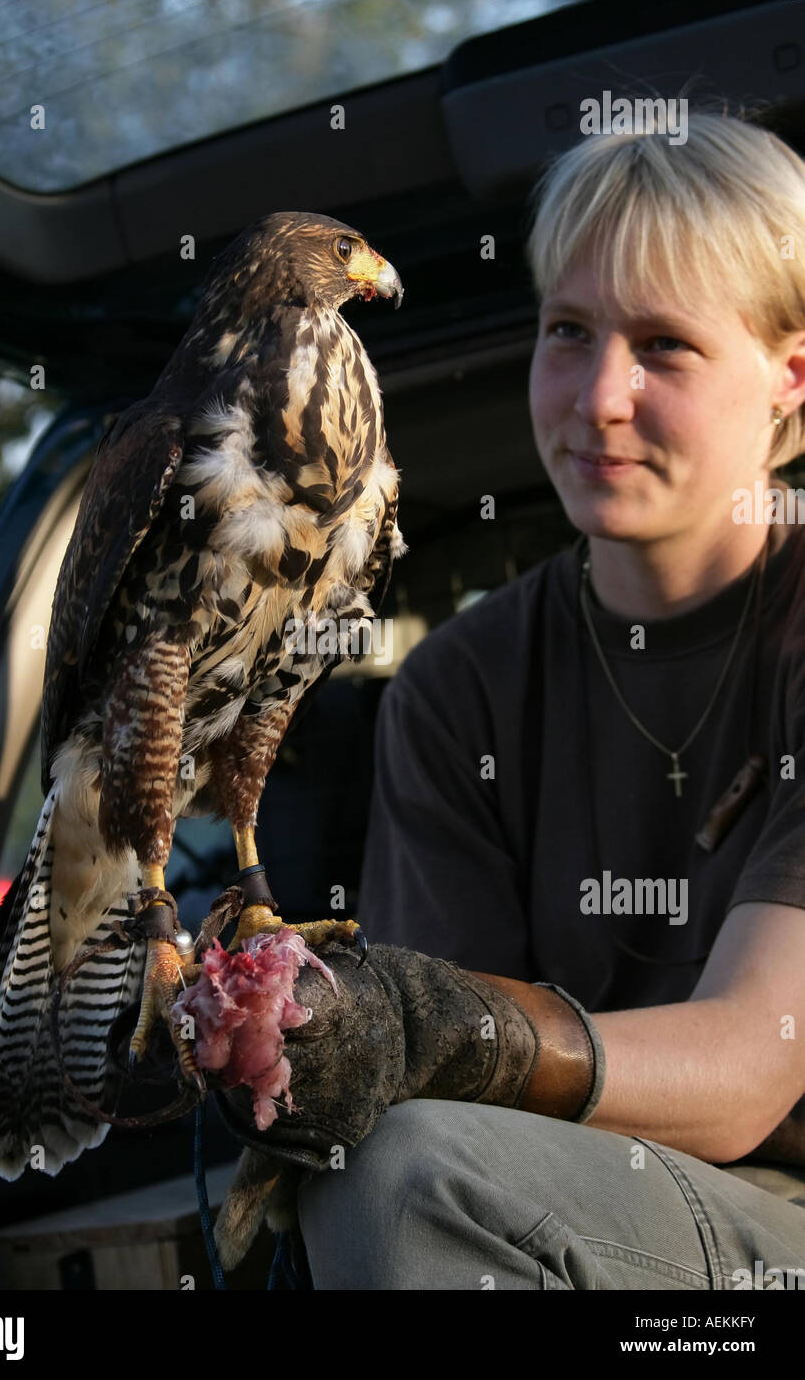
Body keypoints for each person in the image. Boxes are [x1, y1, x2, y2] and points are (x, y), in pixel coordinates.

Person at [293, 110, 805, 1289]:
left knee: (409, 1178)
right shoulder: (454, 689)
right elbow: (431, 1089)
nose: (600, 396)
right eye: (568, 330)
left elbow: (747, 1067)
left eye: (664, 345)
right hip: (582, 1194)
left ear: (789, 374)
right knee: (381, 1163)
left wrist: (442, 1030)